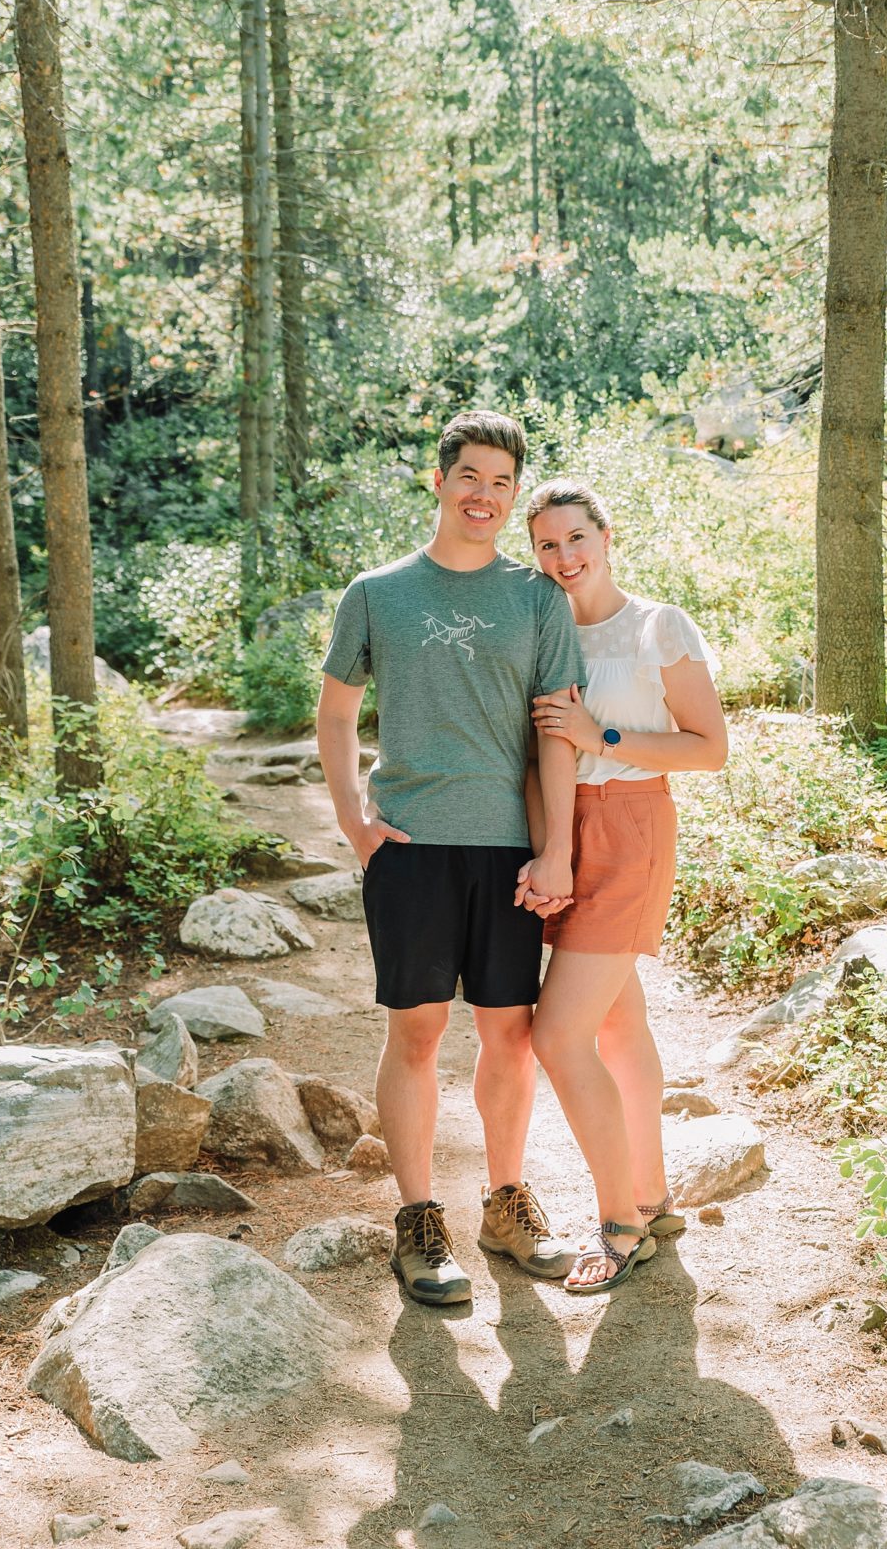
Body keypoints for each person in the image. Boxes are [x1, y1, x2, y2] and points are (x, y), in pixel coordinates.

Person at [316, 412, 585, 1307]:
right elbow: (336, 714)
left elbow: (558, 732)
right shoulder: (377, 592)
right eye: (470, 476)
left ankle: (507, 1206)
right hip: (411, 848)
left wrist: (556, 850)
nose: (484, 495)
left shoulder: (537, 598)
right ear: (439, 481)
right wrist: (355, 823)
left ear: (514, 494)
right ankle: (419, 1221)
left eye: (501, 482)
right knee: (419, 1033)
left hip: (507, 850)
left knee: (509, 1035)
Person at [523, 479, 728, 1294]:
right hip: (564, 830)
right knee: (617, 1023)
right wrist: (549, 849)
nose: (564, 556)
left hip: (632, 827)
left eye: (576, 537)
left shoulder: (656, 626)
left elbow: (708, 747)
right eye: (546, 544)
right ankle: (652, 1196)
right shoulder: (541, 630)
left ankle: (620, 1223)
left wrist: (599, 732)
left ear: (605, 538)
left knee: (557, 1035)